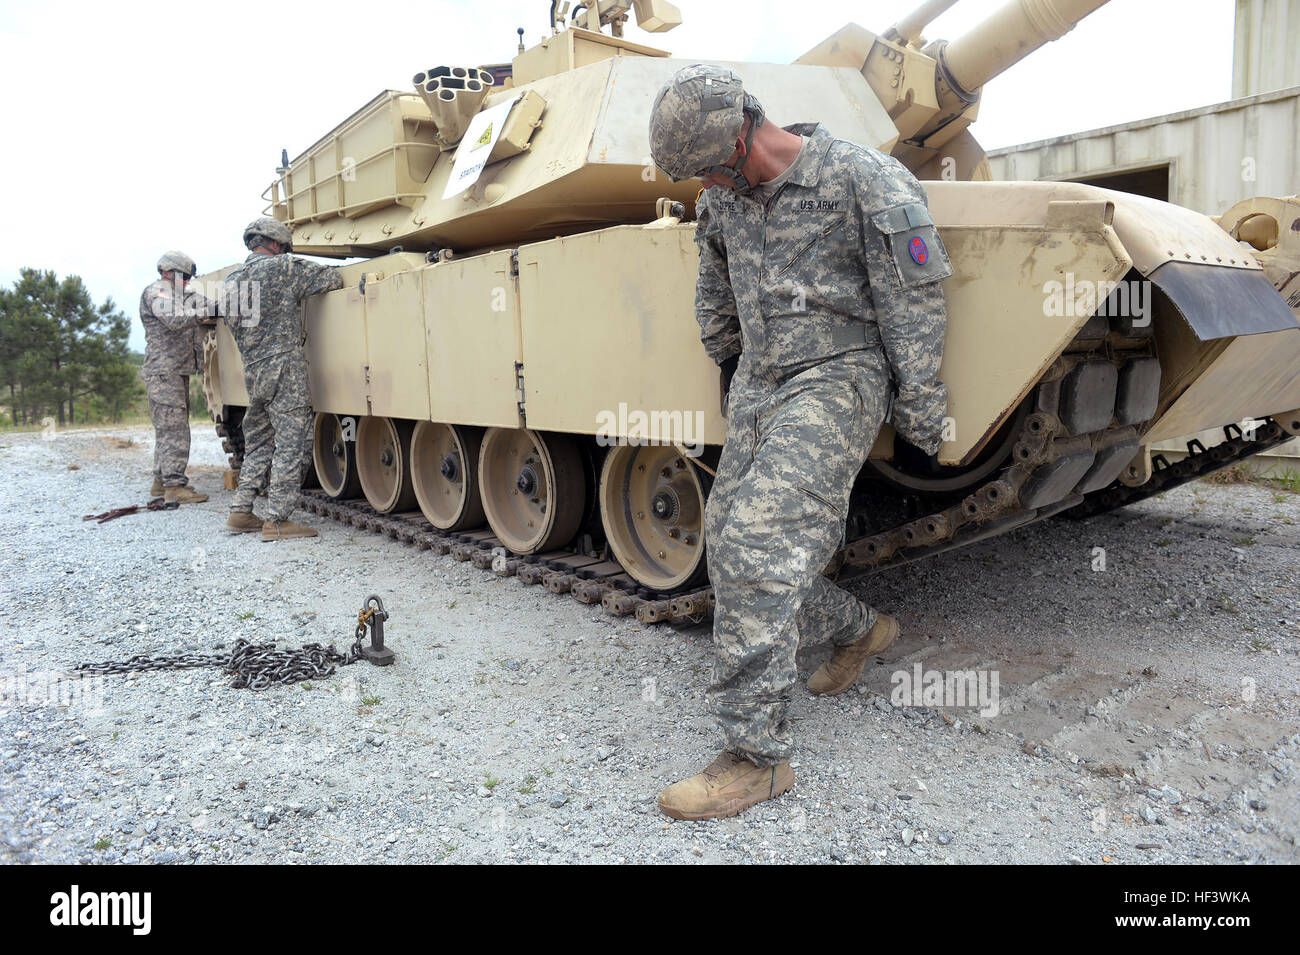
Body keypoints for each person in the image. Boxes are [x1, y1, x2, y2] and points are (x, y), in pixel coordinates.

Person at [648, 65, 953, 821]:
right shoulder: (722, 199)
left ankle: (756, 759)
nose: (706, 187)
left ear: (742, 136)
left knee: (759, 546)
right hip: (761, 380)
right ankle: (863, 631)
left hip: (839, 375)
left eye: (710, 170)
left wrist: (921, 414)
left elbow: (914, 302)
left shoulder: (862, 179)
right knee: (728, 547)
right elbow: (714, 285)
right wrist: (727, 360)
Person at [222, 217, 344, 541]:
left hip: (253, 370)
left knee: (259, 442)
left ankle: (241, 511)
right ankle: (277, 520)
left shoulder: (231, 281)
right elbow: (331, 278)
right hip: (284, 368)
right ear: (276, 244)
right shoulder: (283, 267)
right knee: (293, 442)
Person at [140, 251, 218, 503]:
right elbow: (175, 319)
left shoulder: (182, 296)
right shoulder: (158, 293)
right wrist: (207, 311)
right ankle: (174, 487)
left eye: (188, 278)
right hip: (164, 372)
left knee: (168, 428)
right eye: (183, 276)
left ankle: (160, 481)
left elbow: (207, 302)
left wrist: (221, 305)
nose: (186, 281)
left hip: (175, 371)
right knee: (174, 430)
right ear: (167, 273)